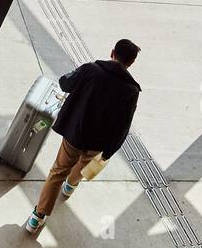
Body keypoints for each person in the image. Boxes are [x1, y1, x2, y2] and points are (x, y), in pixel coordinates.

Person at [25, 39, 141, 234]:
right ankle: (70, 186)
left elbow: (64, 83)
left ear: (112, 52)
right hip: (99, 142)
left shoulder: (91, 70)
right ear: (131, 62)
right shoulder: (131, 90)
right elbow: (123, 125)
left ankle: (37, 217)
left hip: (75, 132)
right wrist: (109, 152)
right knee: (86, 165)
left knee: (58, 171)